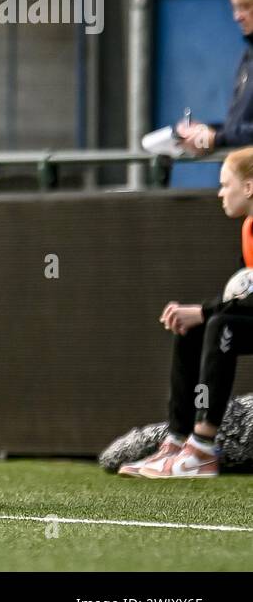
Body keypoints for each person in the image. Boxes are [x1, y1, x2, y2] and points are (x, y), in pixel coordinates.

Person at [119, 147, 253, 478]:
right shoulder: (249, 228)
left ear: (249, 187)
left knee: (221, 325)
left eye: (226, 184)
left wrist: (204, 311)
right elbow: (244, 293)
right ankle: (178, 440)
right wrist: (199, 314)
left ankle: (203, 449)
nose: (220, 193)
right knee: (194, 328)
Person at [175, 0, 253, 154]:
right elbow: (240, 127)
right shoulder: (248, 56)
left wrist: (216, 138)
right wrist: (206, 132)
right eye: (235, 6)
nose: (237, 16)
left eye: (246, 6)